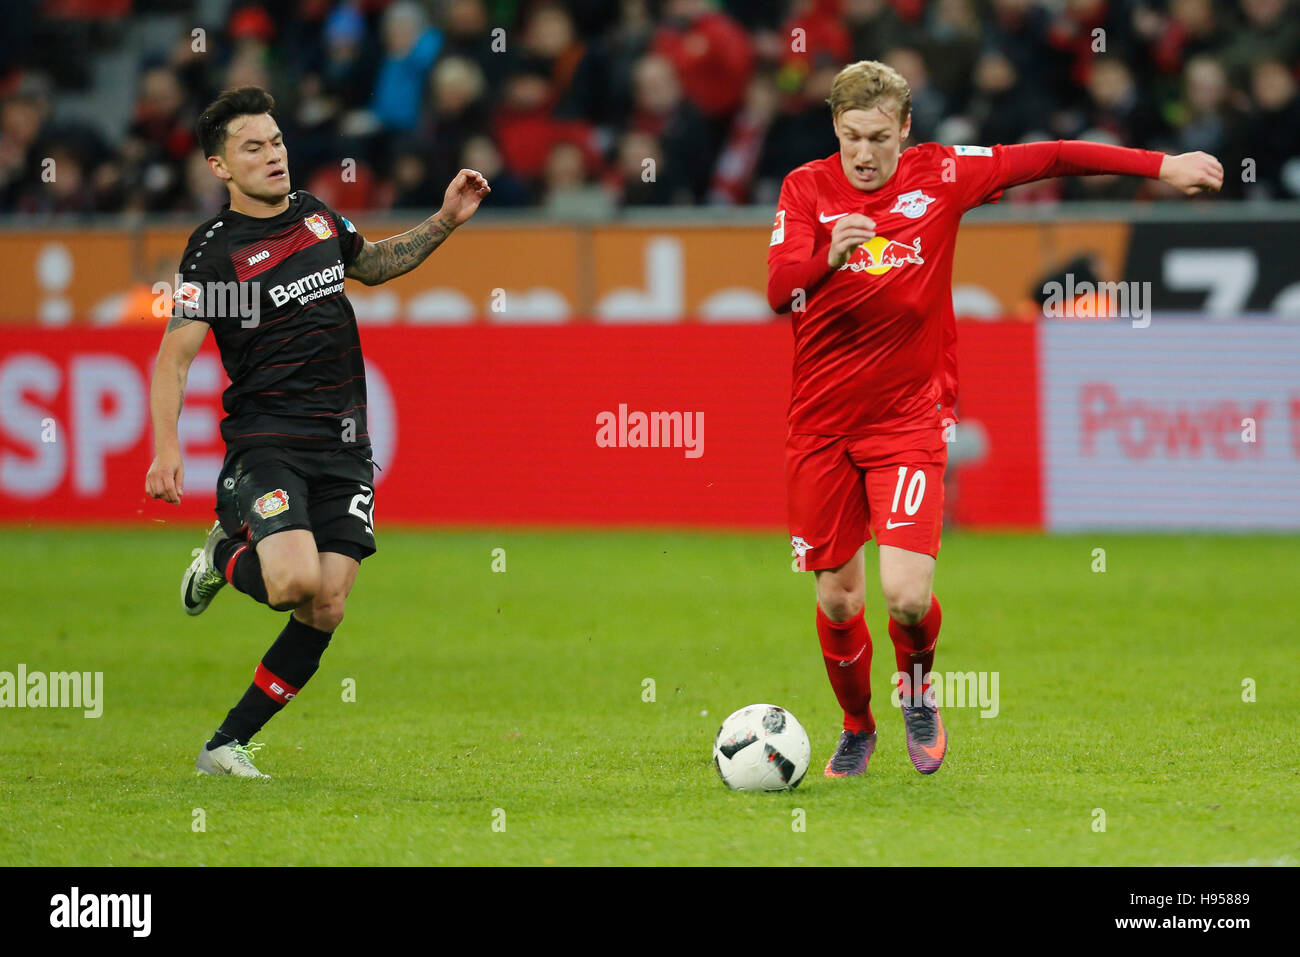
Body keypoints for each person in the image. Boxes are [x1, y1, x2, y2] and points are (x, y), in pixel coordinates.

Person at [766, 60, 1221, 778]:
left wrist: (1159, 164)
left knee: (907, 596)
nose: (863, 153)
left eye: (879, 137)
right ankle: (857, 726)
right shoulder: (804, 190)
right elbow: (777, 290)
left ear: (906, 129)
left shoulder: (942, 174)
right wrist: (828, 253)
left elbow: (1050, 156)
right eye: (851, 136)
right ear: (835, 128)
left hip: (910, 419)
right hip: (820, 426)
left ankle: (918, 693)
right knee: (836, 594)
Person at [145, 86, 489, 778]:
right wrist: (166, 447)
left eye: (276, 141)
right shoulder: (214, 253)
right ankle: (220, 557)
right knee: (291, 582)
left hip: (345, 444)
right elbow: (174, 355)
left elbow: (373, 264)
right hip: (268, 444)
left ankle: (225, 745)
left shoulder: (317, 217)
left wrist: (445, 220)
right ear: (220, 168)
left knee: (326, 604)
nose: (273, 155)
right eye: (253, 147)